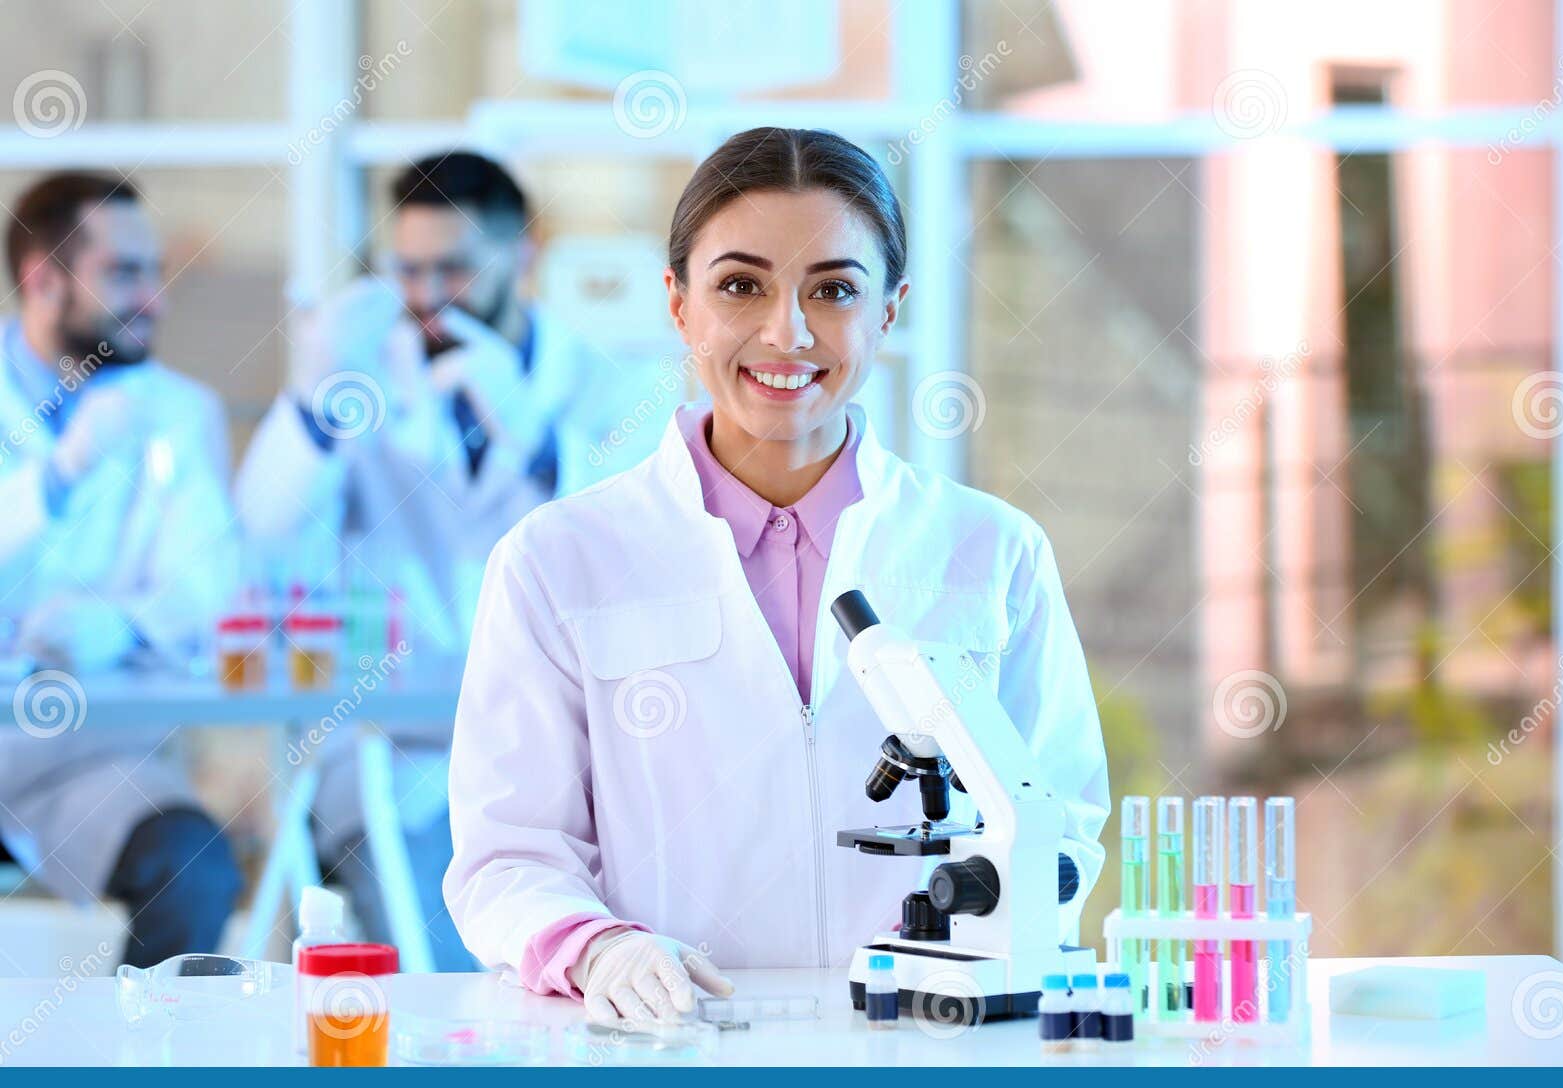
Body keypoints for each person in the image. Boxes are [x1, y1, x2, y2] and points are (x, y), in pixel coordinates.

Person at [444, 128, 1111, 1025]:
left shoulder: (992, 552)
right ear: (679, 303)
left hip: (928, 1047)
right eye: (740, 285)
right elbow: (508, 853)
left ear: (891, 309)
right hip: (675, 1046)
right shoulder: (559, 559)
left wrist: (973, 954)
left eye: (833, 289)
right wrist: (596, 946)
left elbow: (1059, 816)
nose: (786, 331)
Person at [235, 152, 625, 970]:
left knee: (570, 927)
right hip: (391, 744)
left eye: (453, 267)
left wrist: (542, 443)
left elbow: (637, 553)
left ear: (524, 255)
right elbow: (265, 536)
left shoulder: (601, 386)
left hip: (558, 744)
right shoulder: (366, 380)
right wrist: (310, 403)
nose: (426, 294)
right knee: (435, 953)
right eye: (408, 269)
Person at [0, 173, 242, 967]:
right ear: (42, 278)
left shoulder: (179, 411)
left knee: (196, 870)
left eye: (155, 271)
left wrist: (122, 626)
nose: (154, 297)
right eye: (125, 272)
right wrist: (54, 481)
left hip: (92, 757)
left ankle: (129, 1084)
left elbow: (209, 595)